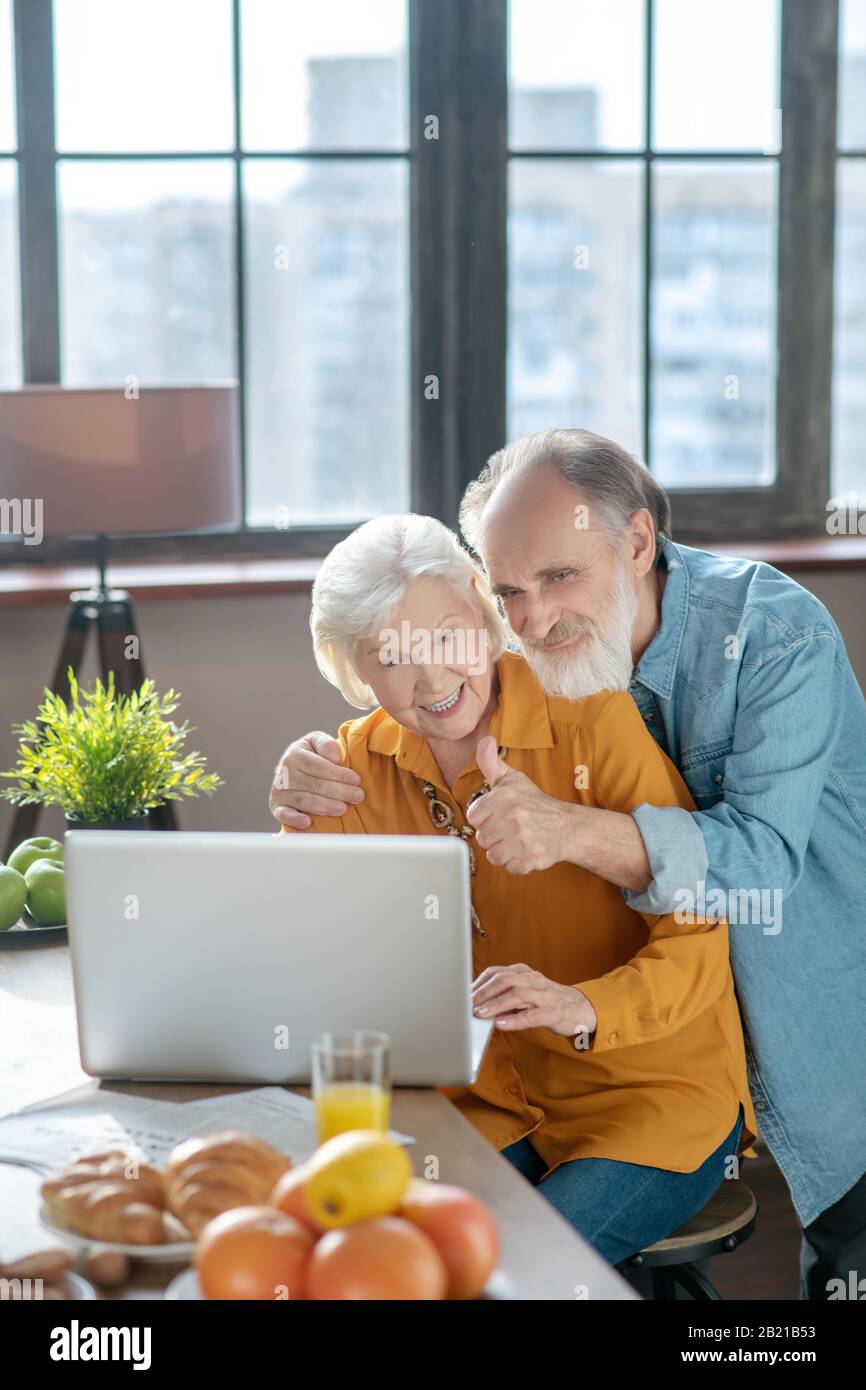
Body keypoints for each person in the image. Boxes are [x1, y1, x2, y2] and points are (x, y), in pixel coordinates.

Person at [273, 429, 866, 1301]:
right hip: (533, 1081)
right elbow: (303, 922)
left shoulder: (767, 637)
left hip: (802, 1009)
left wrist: (569, 834)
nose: (534, 617)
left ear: (634, 544)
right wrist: (298, 785)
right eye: (509, 591)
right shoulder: (506, 682)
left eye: (558, 578)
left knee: (843, 1265)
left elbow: (758, 867)